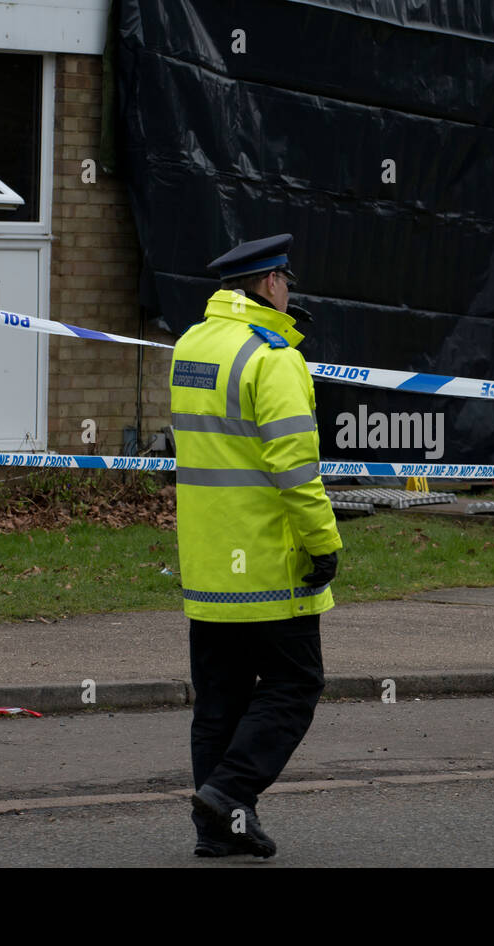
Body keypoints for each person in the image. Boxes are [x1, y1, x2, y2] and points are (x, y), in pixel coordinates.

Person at [170, 233, 343, 857]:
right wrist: (324, 544)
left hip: (209, 564)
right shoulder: (273, 359)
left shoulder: (190, 345)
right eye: (287, 280)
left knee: (219, 699)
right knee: (296, 684)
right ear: (270, 284)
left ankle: (219, 831)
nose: (290, 290)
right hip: (271, 565)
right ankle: (228, 794)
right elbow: (297, 469)